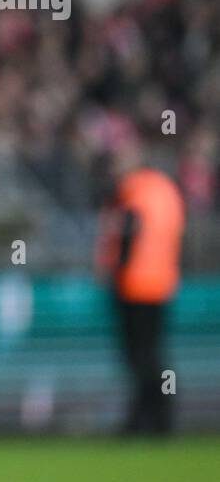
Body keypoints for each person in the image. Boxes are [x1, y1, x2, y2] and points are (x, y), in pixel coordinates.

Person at [94, 141, 186, 436]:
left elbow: (128, 232)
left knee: (140, 358)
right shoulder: (166, 190)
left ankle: (147, 419)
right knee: (153, 355)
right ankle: (157, 417)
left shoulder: (134, 190)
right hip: (162, 283)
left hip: (134, 285)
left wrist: (114, 268)